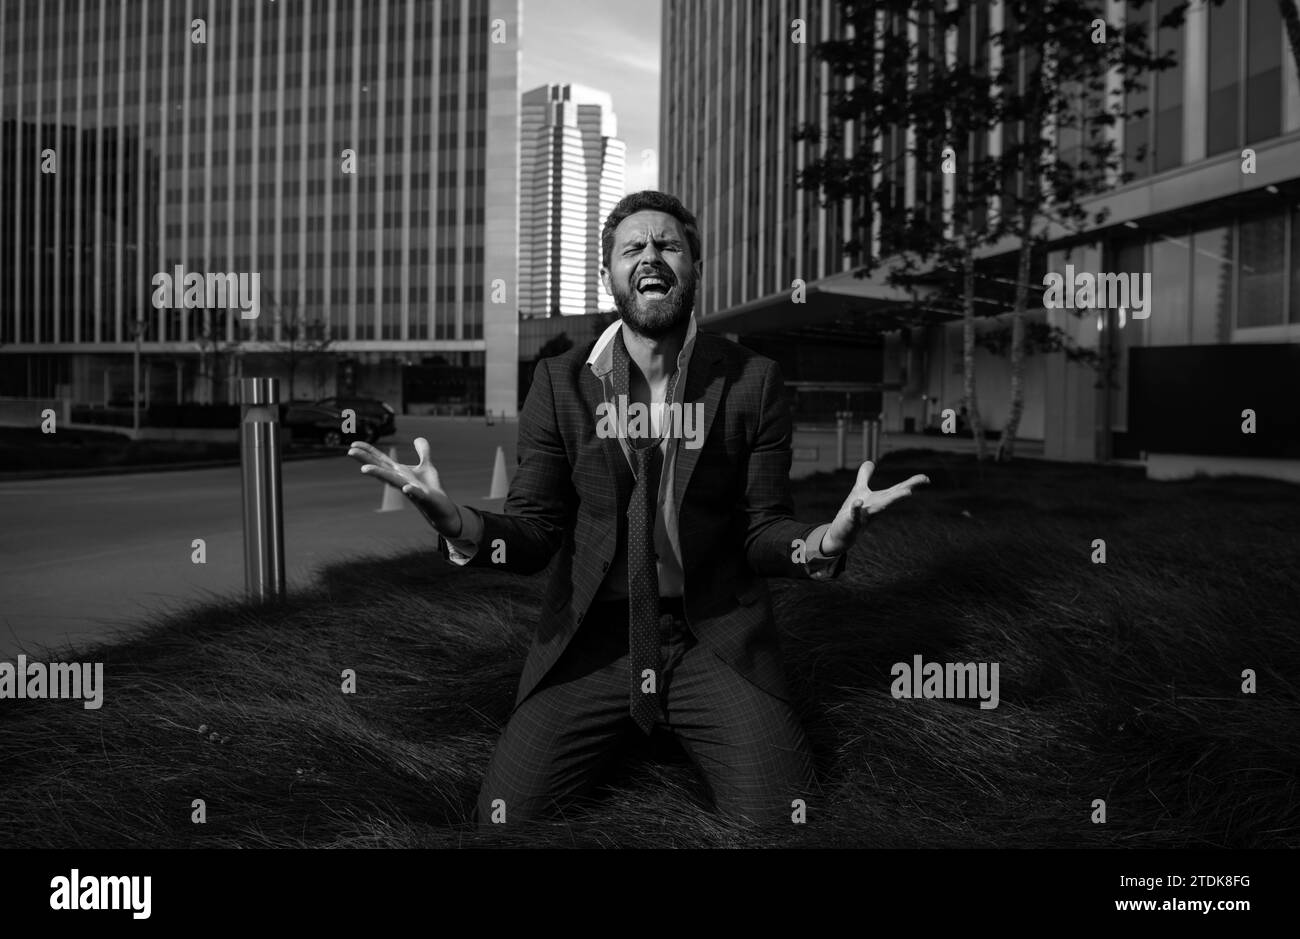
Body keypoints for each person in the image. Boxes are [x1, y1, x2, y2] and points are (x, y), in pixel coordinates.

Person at [348, 191, 930, 828]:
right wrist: (456, 523)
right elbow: (536, 533)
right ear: (609, 276)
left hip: (711, 634)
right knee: (506, 824)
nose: (651, 256)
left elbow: (762, 530)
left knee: (780, 821)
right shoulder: (559, 382)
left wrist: (825, 540)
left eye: (668, 245)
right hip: (594, 637)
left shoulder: (751, 380)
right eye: (633, 248)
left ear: (695, 268)